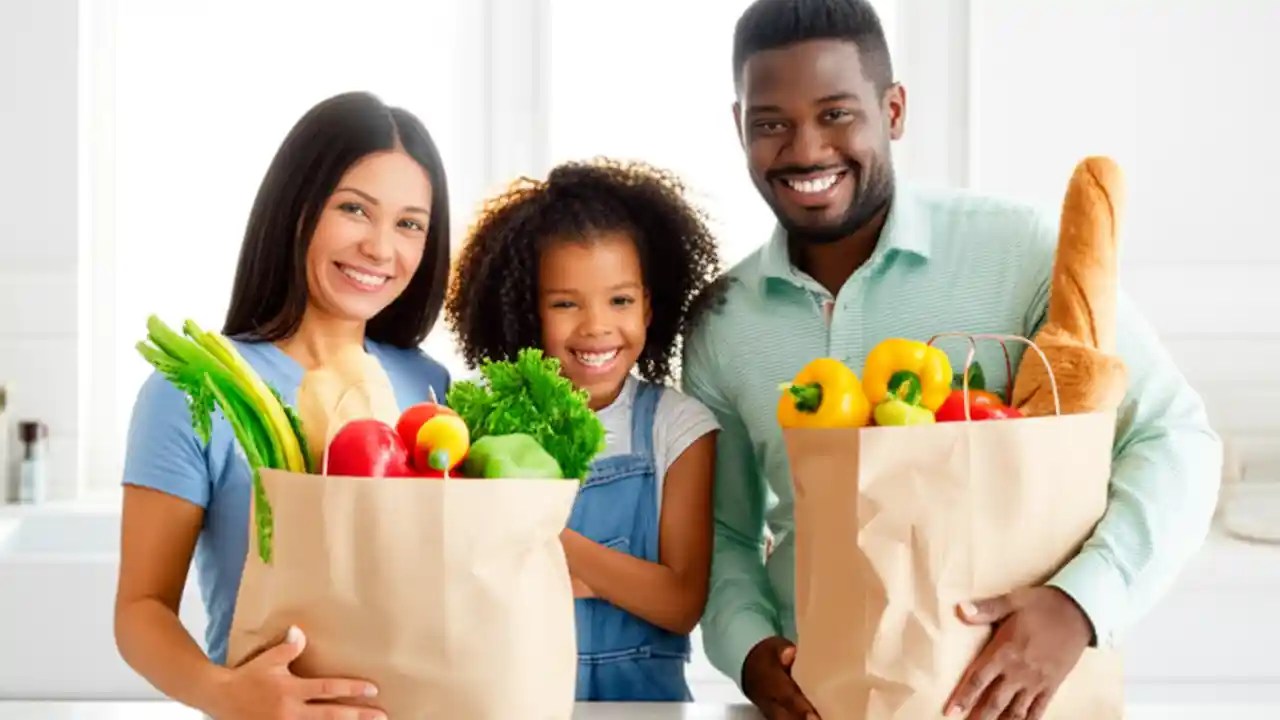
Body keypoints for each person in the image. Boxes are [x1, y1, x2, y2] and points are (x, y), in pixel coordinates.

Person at [681, 1, 1223, 719]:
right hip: (817, 702)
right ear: (739, 128)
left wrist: (1082, 604)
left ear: (894, 109)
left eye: (838, 114)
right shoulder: (722, 321)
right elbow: (723, 530)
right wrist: (749, 653)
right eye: (771, 123)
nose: (806, 149)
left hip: (1015, 701)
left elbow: (1174, 437)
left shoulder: (1023, 254)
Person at [114, 91, 452, 720]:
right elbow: (140, 610)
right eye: (355, 209)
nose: (382, 248)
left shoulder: (430, 387)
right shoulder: (199, 389)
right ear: (296, 210)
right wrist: (224, 694)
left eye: (410, 224)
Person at [445, 158, 723, 701]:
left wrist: (547, 538)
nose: (596, 326)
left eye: (620, 300)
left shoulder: (678, 426)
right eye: (565, 303)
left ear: (649, 306)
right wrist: (615, 580)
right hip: (513, 700)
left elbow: (681, 602)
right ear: (528, 311)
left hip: (649, 709)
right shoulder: (479, 423)